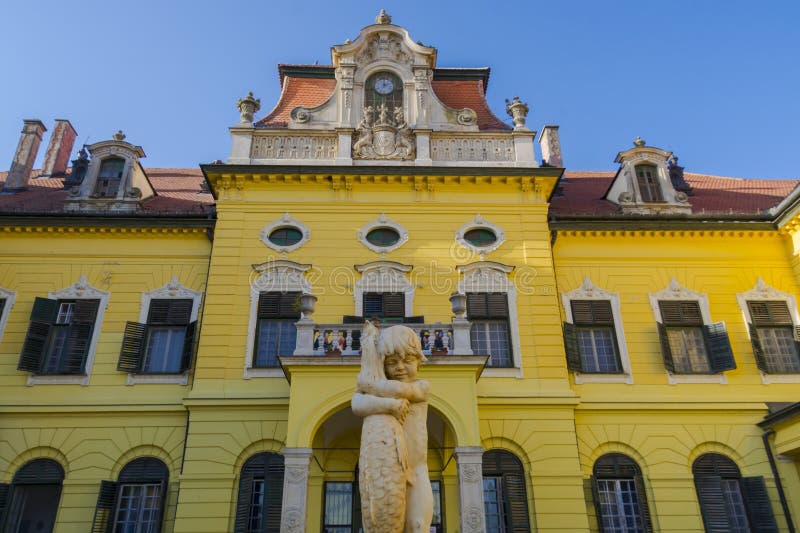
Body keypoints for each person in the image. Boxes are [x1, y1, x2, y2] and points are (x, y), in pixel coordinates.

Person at [352, 323, 433, 533]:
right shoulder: (381, 395)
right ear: (382, 364)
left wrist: (369, 383)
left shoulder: (421, 387)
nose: (400, 367)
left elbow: (401, 390)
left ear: (419, 362)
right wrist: (389, 406)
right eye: (391, 362)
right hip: (388, 469)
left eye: (408, 360)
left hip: (417, 470)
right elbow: (357, 404)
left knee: (416, 526)